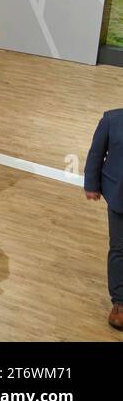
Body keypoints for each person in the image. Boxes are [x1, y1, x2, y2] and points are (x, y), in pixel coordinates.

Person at [85, 108, 123, 330]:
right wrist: (91, 184)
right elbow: (96, 153)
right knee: (119, 249)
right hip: (120, 198)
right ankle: (119, 301)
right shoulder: (112, 120)